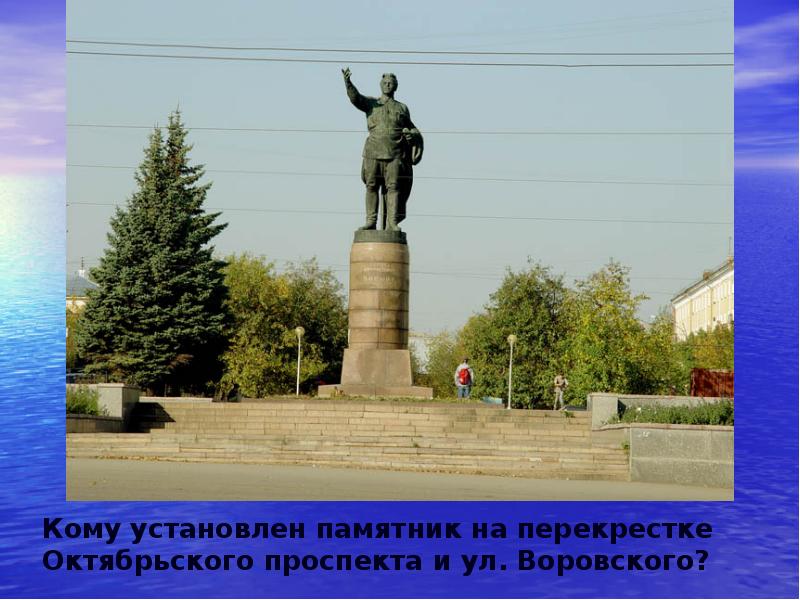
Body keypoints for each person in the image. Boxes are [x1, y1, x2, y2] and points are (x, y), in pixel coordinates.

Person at [342, 68, 424, 231]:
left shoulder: (402, 108)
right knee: (371, 186)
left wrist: (412, 135)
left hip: (395, 153)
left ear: (395, 86)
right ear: (381, 85)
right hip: (373, 151)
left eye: (390, 83)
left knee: (394, 187)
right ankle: (371, 221)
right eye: (385, 82)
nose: (387, 85)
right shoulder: (371, 104)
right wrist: (348, 83)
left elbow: (413, 129)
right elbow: (355, 98)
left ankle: (392, 222)